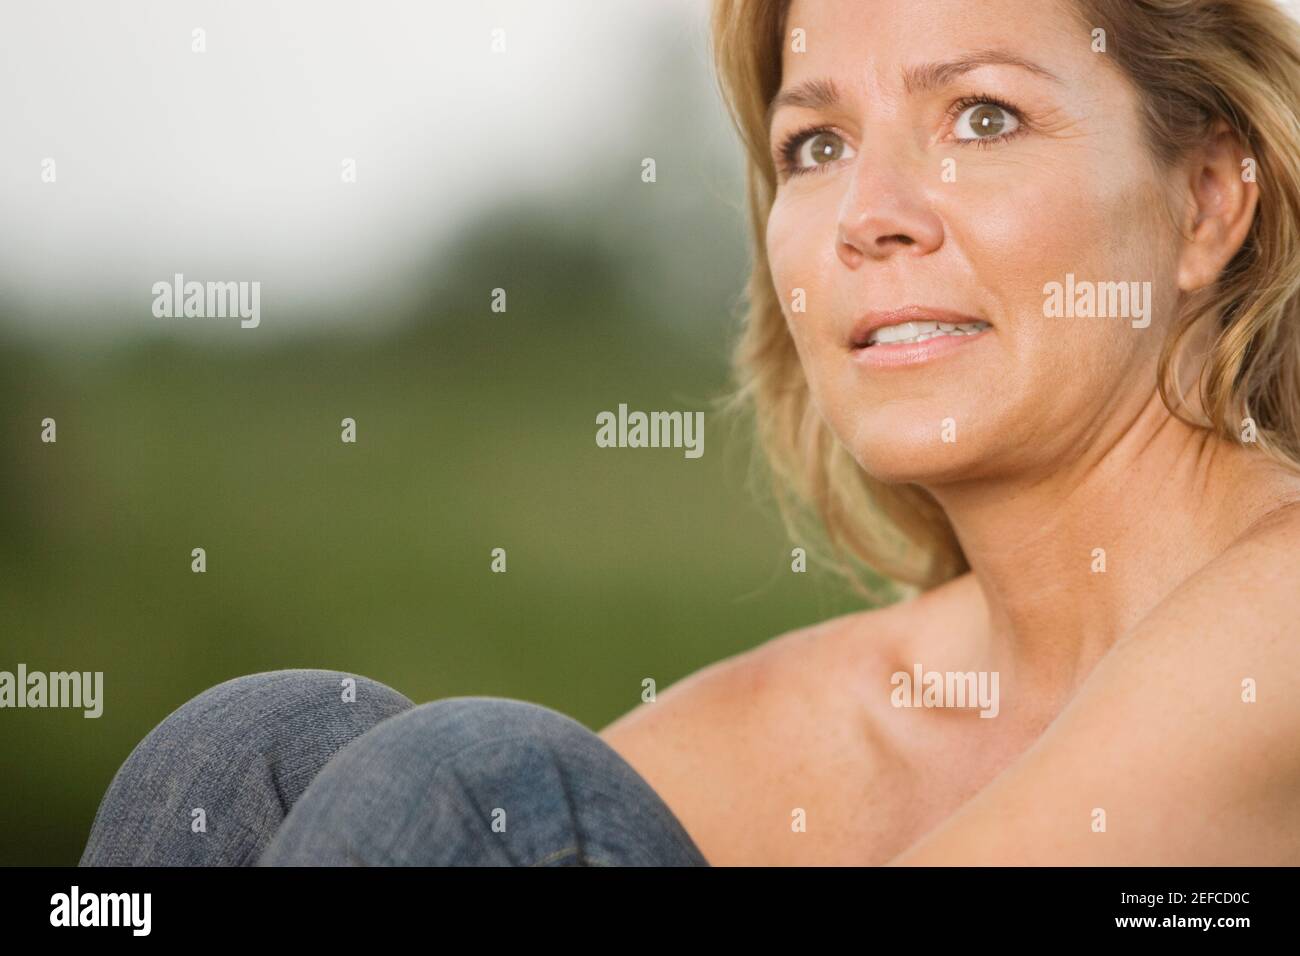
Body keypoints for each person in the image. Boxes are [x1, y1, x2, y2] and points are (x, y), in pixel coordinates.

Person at [81, 0, 1300, 866]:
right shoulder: (847, 711)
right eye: (815, 145)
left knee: (476, 780)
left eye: (981, 117)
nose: (868, 216)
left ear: (1205, 199)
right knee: (256, 750)